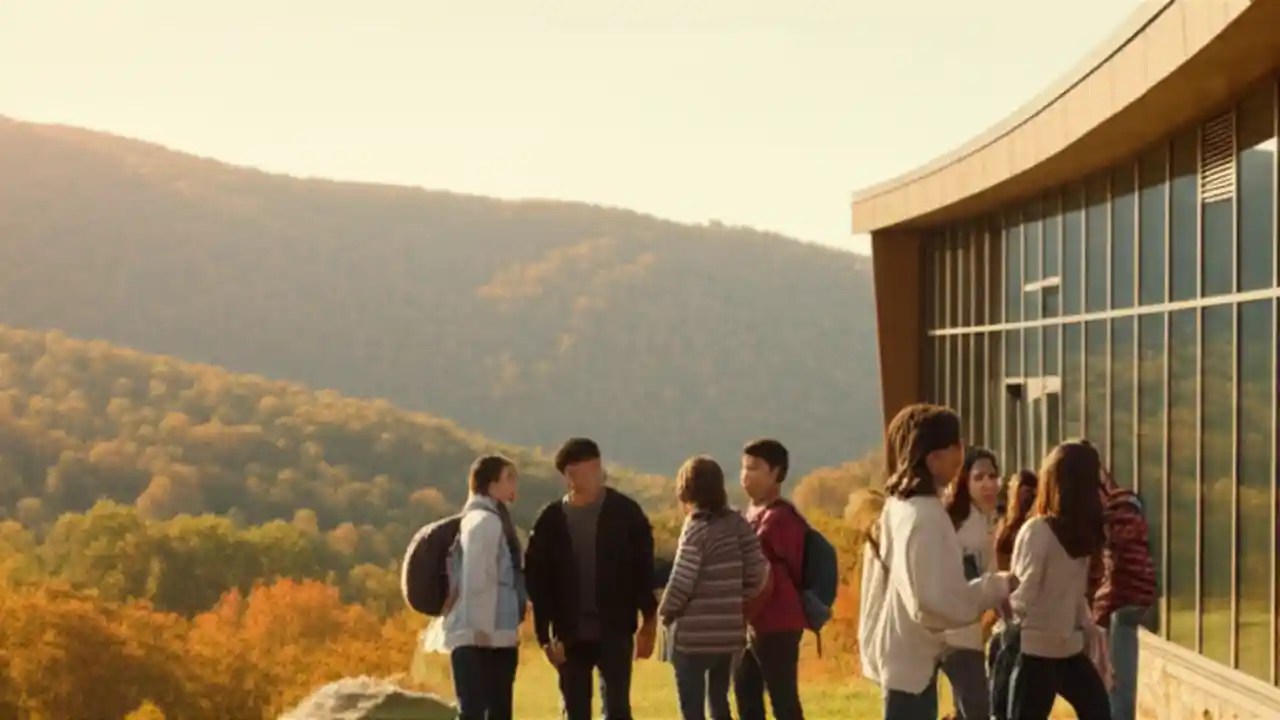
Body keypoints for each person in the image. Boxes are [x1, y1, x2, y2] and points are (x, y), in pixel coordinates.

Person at [857, 404, 1015, 720]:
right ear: (933, 459)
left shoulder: (901, 505)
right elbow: (932, 601)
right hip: (912, 658)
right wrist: (995, 587)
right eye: (954, 445)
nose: (961, 452)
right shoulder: (925, 516)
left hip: (906, 654)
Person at [524, 437, 658, 720]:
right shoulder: (550, 520)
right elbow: (538, 582)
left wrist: (649, 620)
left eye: (585, 469)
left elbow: (643, 569)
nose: (578, 478)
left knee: (618, 709)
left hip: (616, 628)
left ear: (597, 466)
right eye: (571, 473)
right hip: (569, 631)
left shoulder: (626, 513)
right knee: (574, 710)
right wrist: (544, 637)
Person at [1000, 441, 1111, 720]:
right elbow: (1023, 595)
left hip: (1067, 650)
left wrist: (1091, 633)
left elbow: (1073, 598)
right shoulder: (1038, 531)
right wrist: (1003, 626)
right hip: (1034, 653)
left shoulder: (1080, 533)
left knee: (1098, 709)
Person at [659, 456, 768, 720]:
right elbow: (758, 570)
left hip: (694, 635)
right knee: (719, 700)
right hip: (729, 632)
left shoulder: (696, 527)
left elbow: (682, 579)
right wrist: (736, 596)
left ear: (686, 489)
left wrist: (666, 611)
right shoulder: (738, 524)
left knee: (692, 706)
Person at [440, 454, 525, 720]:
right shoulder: (485, 522)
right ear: (491, 484)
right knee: (483, 712)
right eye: (508, 478)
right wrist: (483, 634)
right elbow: (478, 579)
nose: (514, 485)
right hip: (485, 637)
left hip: (487, 634)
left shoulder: (483, 518)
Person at [735, 438, 807, 720]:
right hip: (752, 621)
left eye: (754, 468)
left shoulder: (781, 519)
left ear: (775, 473)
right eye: (743, 467)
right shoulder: (749, 515)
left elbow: (788, 569)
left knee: (782, 697)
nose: (745, 475)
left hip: (778, 621)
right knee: (746, 691)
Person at [938, 446, 1002, 720]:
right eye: (979, 477)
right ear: (964, 481)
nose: (988, 484)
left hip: (967, 631)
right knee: (977, 711)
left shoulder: (985, 521)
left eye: (992, 476)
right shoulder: (964, 527)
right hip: (956, 636)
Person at [1088, 468, 1155, 720]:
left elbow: (1114, 575)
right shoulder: (1127, 508)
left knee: (1114, 681)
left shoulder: (1110, 519)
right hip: (1135, 597)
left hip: (1125, 602)